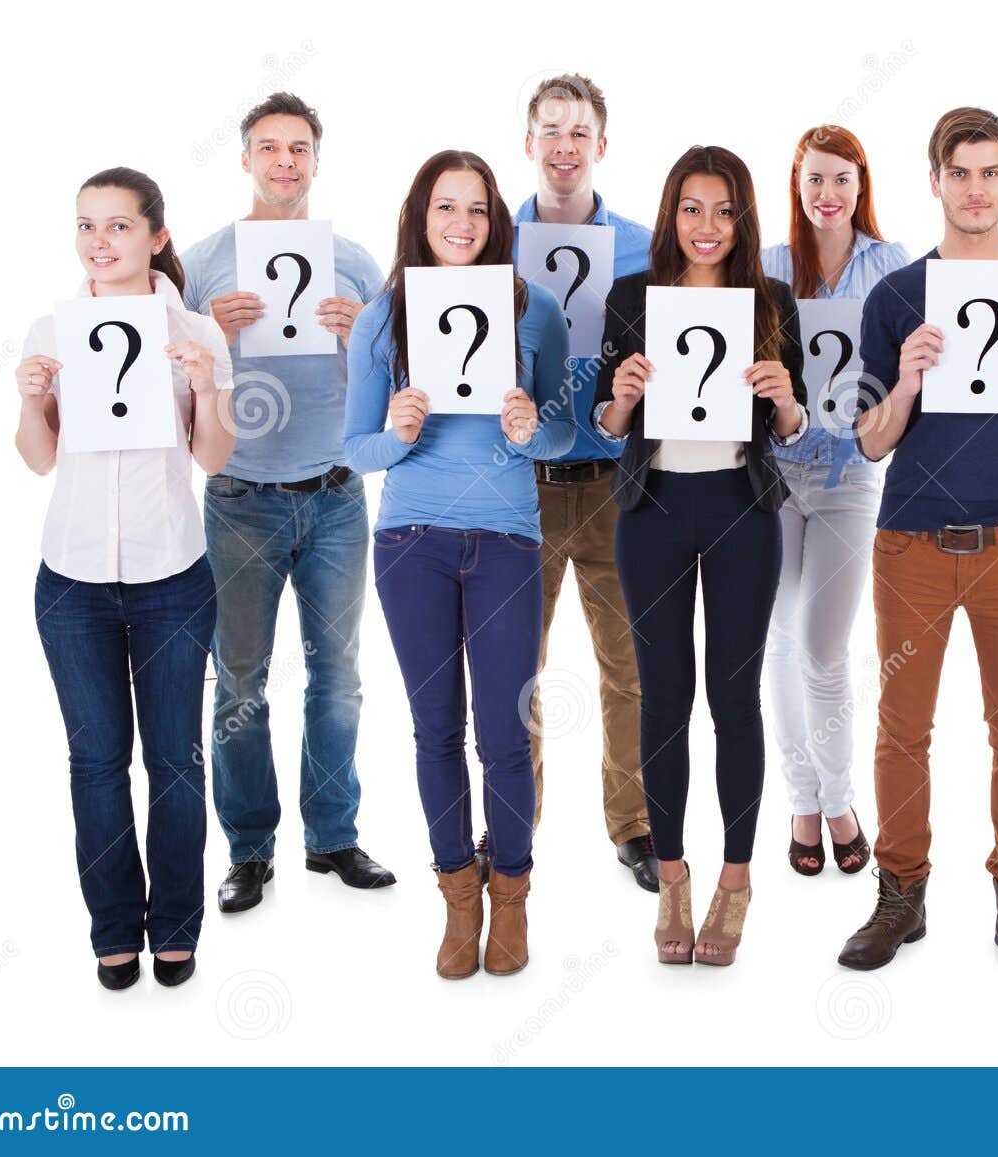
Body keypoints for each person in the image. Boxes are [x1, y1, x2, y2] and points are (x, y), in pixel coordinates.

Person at [836, 108, 998, 987]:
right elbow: (869, 442)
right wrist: (905, 379)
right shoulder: (896, 294)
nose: (975, 189)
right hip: (910, 538)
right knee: (903, 728)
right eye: (960, 173)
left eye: (990, 173)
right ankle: (901, 890)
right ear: (935, 181)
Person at [344, 151, 575, 980]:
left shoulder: (533, 307)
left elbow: (563, 434)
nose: (462, 225)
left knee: (505, 730)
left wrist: (528, 425)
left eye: (477, 210)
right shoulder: (383, 315)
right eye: (447, 208)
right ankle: (458, 894)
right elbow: (355, 447)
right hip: (412, 543)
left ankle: (510, 893)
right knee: (435, 726)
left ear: (495, 221)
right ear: (421, 215)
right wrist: (398, 431)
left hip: (507, 540)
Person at [17, 167, 234, 990]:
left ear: (156, 236)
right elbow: (38, 458)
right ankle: (114, 929)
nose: (98, 243)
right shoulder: (53, 327)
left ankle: (175, 926)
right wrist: (32, 402)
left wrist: (206, 385)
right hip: (71, 579)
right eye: (85, 226)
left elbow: (213, 457)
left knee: (175, 760)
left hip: (171, 573)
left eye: (116, 226)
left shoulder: (198, 333)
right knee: (97, 762)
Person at [592, 146, 808, 966]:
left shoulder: (771, 301)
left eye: (723, 210)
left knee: (734, 696)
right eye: (691, 208)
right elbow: (605, 426)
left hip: (739, 509)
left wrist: (784, 398)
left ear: (743, 220)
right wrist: (622, 397)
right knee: (662, 698)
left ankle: (737, 877)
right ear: (670, 214)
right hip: (652, 511)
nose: (707, 226)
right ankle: (673, 873)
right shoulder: (631, 298)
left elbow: (792, 428)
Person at [181, 92, 394, 914]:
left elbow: (398, 383)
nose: (284, 162)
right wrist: (206, 333)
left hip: (337, 495)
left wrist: (360, 338)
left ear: (316, 160)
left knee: (337, 676)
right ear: (244, 160)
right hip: (239, 499)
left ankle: (333, 836)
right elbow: (158, 386)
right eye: (268, 148)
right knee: (238, 682)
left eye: (298, 148)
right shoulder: (203, 264)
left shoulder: (355, 260)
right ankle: (247, 848)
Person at [503, 73, 658, 892]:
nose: (565, 146)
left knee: (626, 661)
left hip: (613, 479)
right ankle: (512, 829)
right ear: (529, 143)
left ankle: (631, 824)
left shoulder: (643, 244)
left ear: (603, 144)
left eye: (580, 131)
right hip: (517, 485)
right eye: (550, 130)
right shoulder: (487, 240)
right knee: (513, 666)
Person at [761, 125, 909, 877]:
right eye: (814, 180)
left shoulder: (891, 264)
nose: (827, 195)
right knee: (779, 641)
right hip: (773, 474)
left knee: (823, 648)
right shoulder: (769, 265)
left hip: (852, 474)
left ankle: (841, 794)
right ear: (797, 184)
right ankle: (804, 799)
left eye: (841, 180)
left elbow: (917, 352)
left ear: (861, 185)